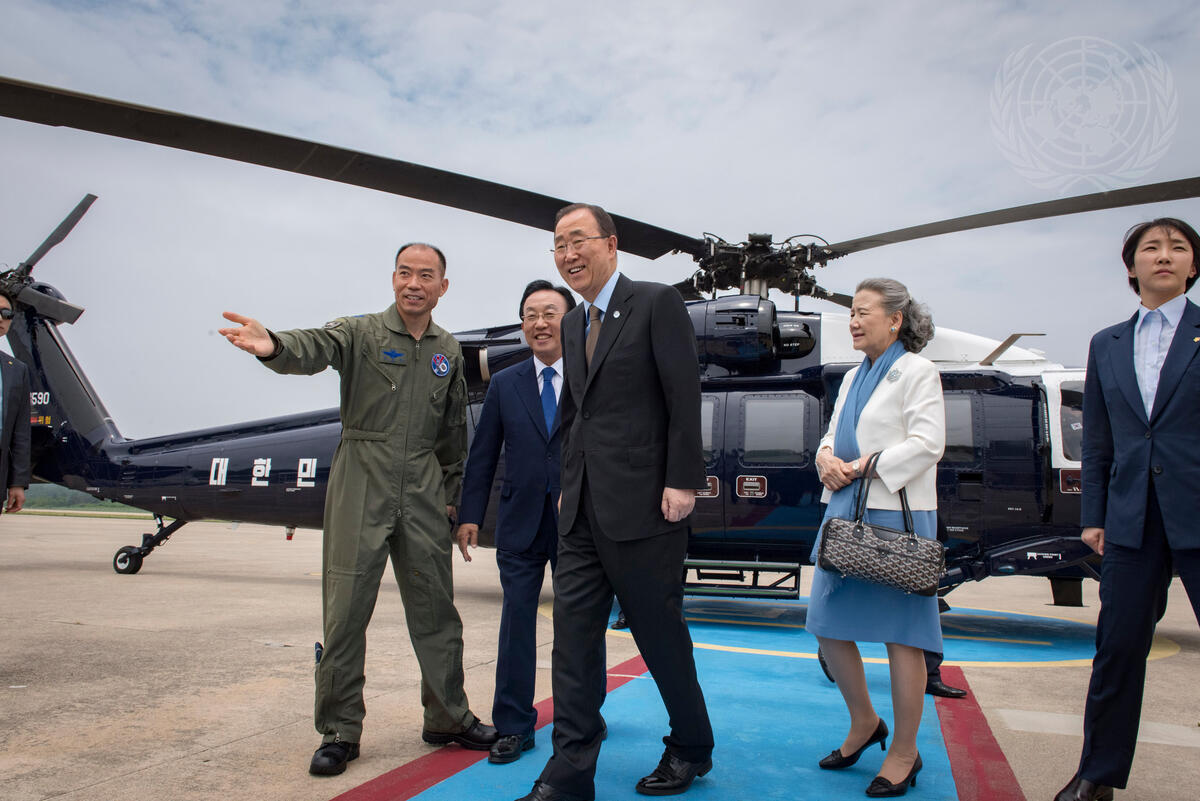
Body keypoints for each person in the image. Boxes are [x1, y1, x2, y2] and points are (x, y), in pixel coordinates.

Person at [218, 243, 496, 777]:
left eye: (426, 276)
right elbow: (314, 346)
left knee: (437, 611)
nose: (414, 283)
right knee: (345, 612)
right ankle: (340, 730)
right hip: (360, 480)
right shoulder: (361, 332)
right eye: (404, 273)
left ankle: (447, 718)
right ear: (393, 279)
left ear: (443, 287)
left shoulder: (447, 350)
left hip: (422, 488)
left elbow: (453, 435)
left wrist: (453, 498)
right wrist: (273, 344)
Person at [516, 203, 713, 801]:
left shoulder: (655, 302)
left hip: (647, 511)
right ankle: (570, 774)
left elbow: (683, 396)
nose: (568, 254)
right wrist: (564, 490)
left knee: (659, 637)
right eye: (558, 245)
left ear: (611, 244)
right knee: (572, 642)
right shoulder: (572, 324)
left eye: (578, 241)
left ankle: (691, 745)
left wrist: (683, 483)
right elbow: (576, 414)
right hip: (579, 514)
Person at [1055, 218, 1200, 801]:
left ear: (1194, 265)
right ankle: (1098, 775)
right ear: (1131, 265)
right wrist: (1094, 517)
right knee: (1117, 649)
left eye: (1179, 248)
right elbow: (1098, 443)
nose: (1164, 256)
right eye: (1151, 248)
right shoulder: (1105, 342)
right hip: (1130, 521)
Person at [808, 277, 945, 798]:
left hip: (894, 513)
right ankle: (865, 721)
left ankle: (905, 752)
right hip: (843, 508)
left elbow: (928, 442)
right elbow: (835, 432)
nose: (854, 321)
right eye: (851, 313)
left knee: (902, 635)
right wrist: (824, 458)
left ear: (895, 320)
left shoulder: (917, 370)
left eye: (864, 312)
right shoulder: (851, 378)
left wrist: (862, 466)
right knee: (826, 624)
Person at [457, 279, 576, 764]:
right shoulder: (505, 384)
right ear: (523, 325)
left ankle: (581, 716)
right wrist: (469, 516)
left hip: (579, 524)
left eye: (550, 313)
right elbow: (482, 457)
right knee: (516, 626)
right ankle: (513, 725)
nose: (540, 323)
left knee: (578, 628)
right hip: (519, 523)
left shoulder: (593, 379)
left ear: (571, 321)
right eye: (531, 315)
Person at [0, 293, 31, 515]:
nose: (1, 318)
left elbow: (21, 432)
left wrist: (17, 482)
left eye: (6, 313)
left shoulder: (16, 370)